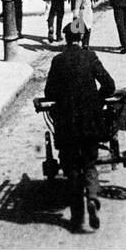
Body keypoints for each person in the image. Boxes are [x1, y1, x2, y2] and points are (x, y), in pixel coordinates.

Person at [44, 18, 115, 232]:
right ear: (82, 37)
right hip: (91, 123)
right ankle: (92, 197)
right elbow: (109, 86)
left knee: (72, 168)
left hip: (68, 125)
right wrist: (97, 100)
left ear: (66, 39)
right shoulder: (90, 57)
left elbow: (49, 94)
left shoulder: (58, 61)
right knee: (90, 162)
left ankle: (77, 218)